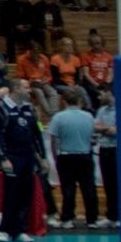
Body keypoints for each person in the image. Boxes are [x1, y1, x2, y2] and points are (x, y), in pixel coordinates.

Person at [0, 80, 41, 242]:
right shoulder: (0, 109)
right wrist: (3, 158)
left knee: (25, 194)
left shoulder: (29, 109)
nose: (29, 90)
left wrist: (43, 157)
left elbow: (36, 134)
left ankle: (20, 230)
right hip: (12, 157)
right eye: (26, 87)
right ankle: (5, 229)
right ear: (16, 89)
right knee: (11, 194)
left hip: (27, 156)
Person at [47, 88, 97, 229]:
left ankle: (67, 218)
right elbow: (93, 137)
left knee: (68, 189)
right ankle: (92, 219)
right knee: (88, 188)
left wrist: (56, 157)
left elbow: (53, 140)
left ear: (64, 101)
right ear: (80, 101)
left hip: (66, 156)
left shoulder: (58, 117)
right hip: (85, 155)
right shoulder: (88, 116)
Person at [92, 89, 119, 229]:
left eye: (103, 93)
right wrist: (108, 128)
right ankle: (111, 216)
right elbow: (95, 126)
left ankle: (120, 216)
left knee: (118, 183)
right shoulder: (102, 110)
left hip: (118, 149)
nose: (100, 95)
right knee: (108, 184)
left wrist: (105, 128)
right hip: (105, 149)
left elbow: (117, 130)